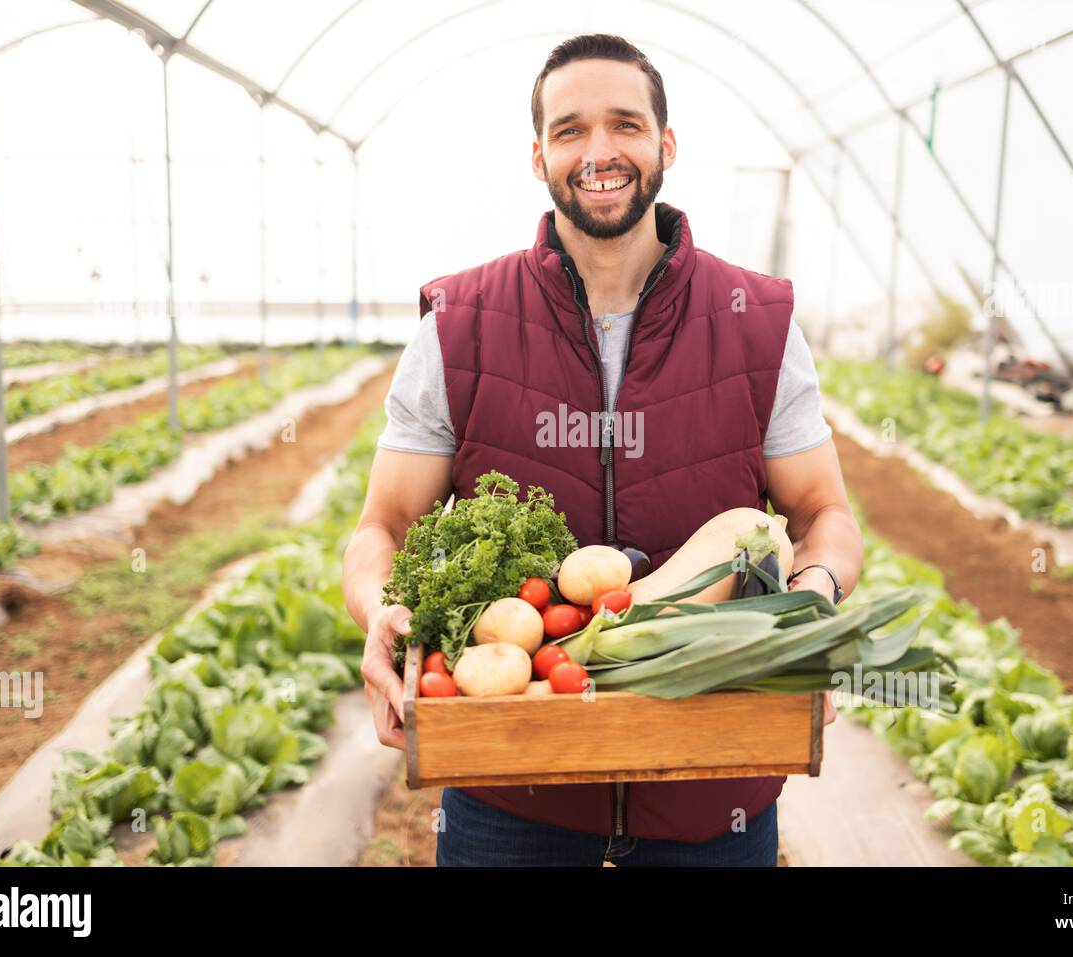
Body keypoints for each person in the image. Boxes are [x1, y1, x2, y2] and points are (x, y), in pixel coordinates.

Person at [342, 33, 863, 867]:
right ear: (539, 153)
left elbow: (822, 512)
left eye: (625, 124)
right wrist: (379, 610)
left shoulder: (755, 319)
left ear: (666, 143)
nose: (600, 151)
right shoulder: (457, 325)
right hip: (512, 787)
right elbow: (383, 527)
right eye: (571, 129)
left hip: (710, 778)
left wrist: (810, 599)